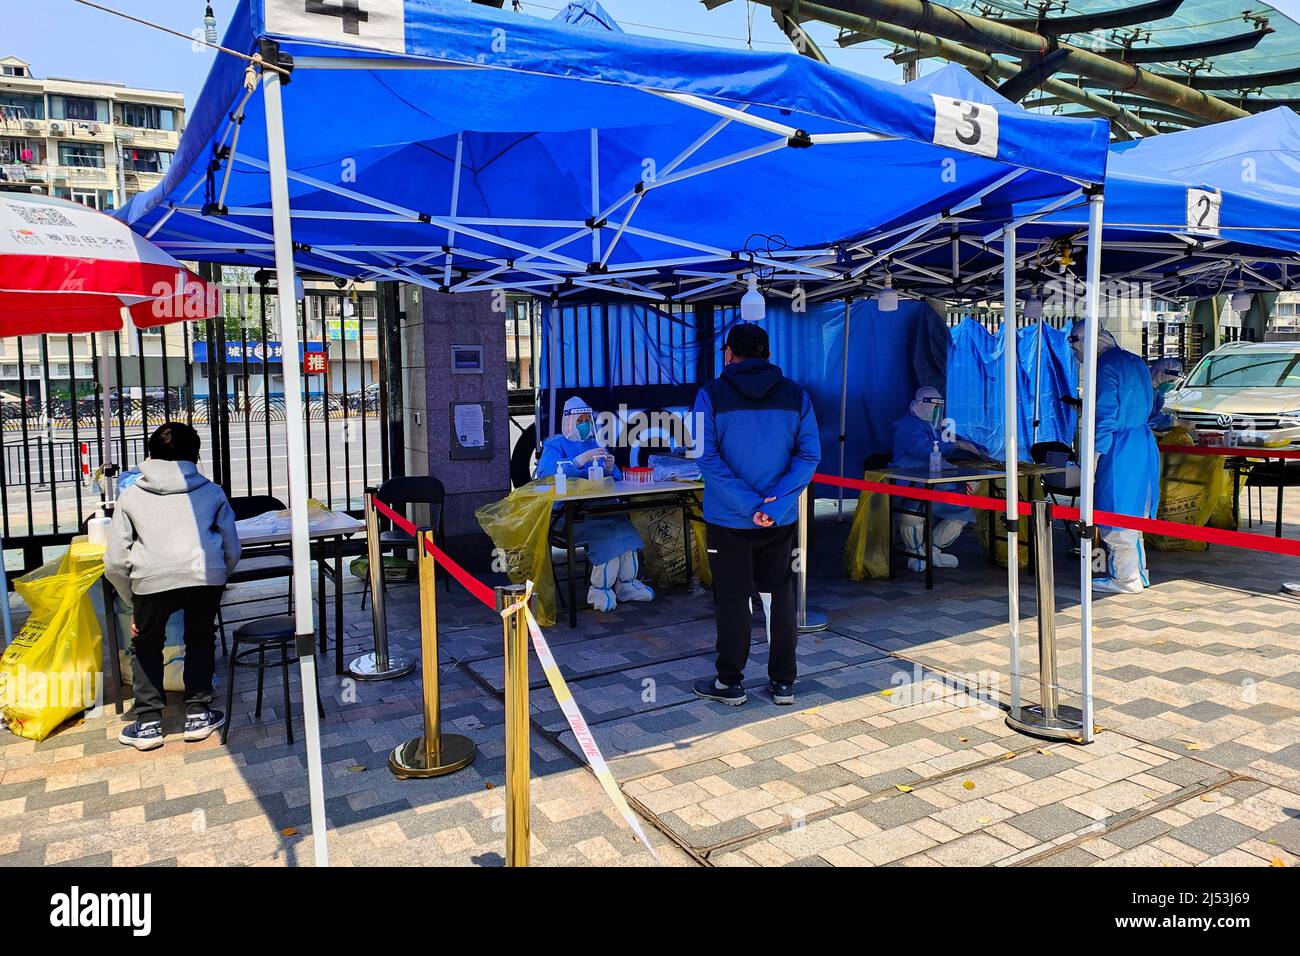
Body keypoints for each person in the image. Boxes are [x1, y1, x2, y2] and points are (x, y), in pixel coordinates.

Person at [691, 323, 820, 707]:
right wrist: (775, 504)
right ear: (767, 354)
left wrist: (749, 506)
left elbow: (705, 458)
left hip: (729, 520)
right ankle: (783, 684)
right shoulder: (798, 396)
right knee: (780, 596)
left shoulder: (709, 395)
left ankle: (729, 683)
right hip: (779, 521)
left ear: (729, 353)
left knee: (732, 598)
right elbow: (809, 455)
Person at [104, 423, 240, 750]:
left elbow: (115, 560)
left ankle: (148, 722)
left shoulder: (132, 494)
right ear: (195, 454)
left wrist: (131, 597)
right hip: (203, 575)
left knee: (146, 645)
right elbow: (231, 548)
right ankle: (198, 715)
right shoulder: (211, 491)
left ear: (150, 454)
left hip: (149, 581)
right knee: (200, 637)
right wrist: (218, 578)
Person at [534, 396, 655, 612]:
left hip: (598, 510)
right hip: (568, 516)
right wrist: (578, 461)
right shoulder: (555, 445)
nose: (584, 424)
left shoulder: (594, 443)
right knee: (609, 536)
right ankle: (600, 590)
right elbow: (545, 474)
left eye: (586, 420)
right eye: (579, 420)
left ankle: (627, 585)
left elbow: (615, 477)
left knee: (625, 530)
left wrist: (610, 467)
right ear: (568, 421)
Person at [1068, 320, 1160, 594]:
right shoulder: (1134, 360)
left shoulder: (1105, 367)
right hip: (1142, 444)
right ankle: (1138, 574)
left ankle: (1125, 579)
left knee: (1116, 513)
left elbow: (1106, 416)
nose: (1075, 352)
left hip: (1120, 449)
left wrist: (1092, 457)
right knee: (1135, 514)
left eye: (1075, 343)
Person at [890, 386, 983, 572]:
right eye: (932, 406)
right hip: (909, 483)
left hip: (936, 482)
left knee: (960, 511)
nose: (935, 411)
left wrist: (975, 448)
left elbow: (951, 439)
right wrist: (954, 444)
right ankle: (915, 553)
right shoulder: (907, 425)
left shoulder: (933, 426)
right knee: (911, 514)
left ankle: (932, 550)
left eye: (938, 407)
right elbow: (921, 449)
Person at [1147, 356, 1184, 432]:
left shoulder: (1156, 393)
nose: (1172, 385)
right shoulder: (1145, 393)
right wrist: (1174, 422)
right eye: (1170, 381)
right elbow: (1150, 420)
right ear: (1160, 376)